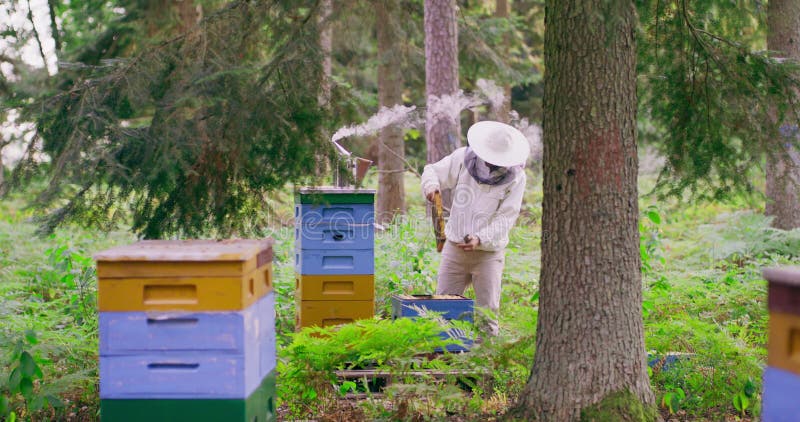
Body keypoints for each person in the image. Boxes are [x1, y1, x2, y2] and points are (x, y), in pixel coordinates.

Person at [421, 120, 529, 336]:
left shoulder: (516, 178)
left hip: (488, 255)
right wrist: (431, 187)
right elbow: (432, 171)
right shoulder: (462, 158)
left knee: (486, 315)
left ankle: (484, 362)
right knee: (443, 309)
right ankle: (444, 357)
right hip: (454, 250)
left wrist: (480, 238)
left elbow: (505, 217)